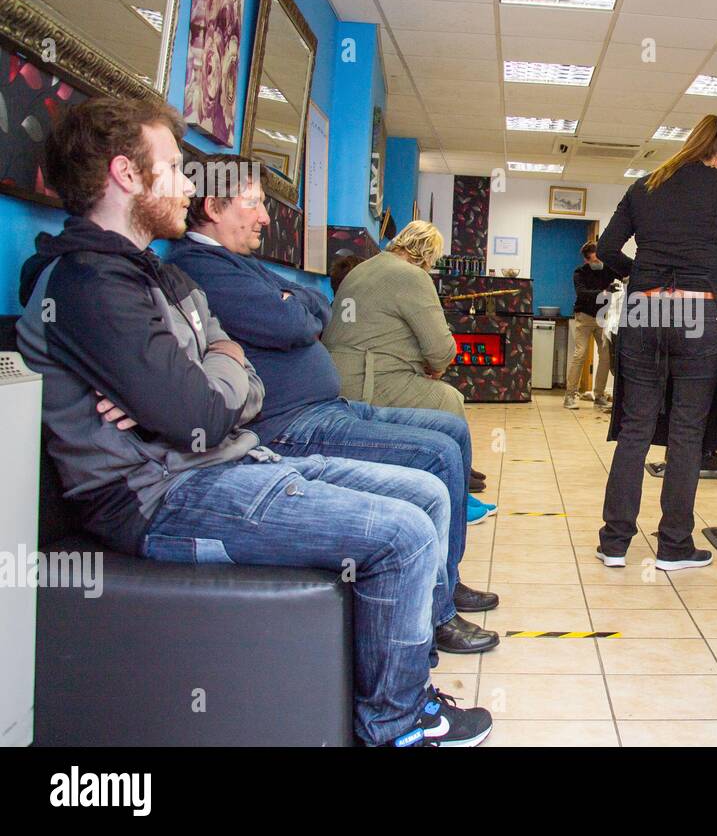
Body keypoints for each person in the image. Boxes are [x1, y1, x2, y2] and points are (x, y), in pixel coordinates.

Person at [16, 97, 490, 746]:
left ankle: (409, 682)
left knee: (430, 494)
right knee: (404, 534)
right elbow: (198, 410)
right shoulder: (85, 283)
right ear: (127, 175)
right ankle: (397, 725)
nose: (188, 184)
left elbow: (235, 378)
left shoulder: (156, 275)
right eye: (176, 168)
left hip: (223, 462)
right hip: (162, 499)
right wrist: (198, 383)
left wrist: (200, 375)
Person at [169, 184, 499, 656]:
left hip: (328, 403)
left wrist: (291, 302)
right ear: (214, 208)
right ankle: (439, 611)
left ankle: (446, 578)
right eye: (254, 204)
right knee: (442, 441)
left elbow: (316, 306)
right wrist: (290, 304)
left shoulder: (243, 264)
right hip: (291, 424)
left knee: (449, 431)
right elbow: (293, 321)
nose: (266, 217)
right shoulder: (203, 266)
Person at [595, 114, 717, 570]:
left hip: (646, 309)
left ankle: (614, 543)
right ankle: (674, 545)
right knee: (686, 431)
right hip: (697, 310)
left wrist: (640, 276)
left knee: (636, 428)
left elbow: (606, 248)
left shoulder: (646, 185)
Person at [322, 222, 469, 422]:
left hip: (333, 377)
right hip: (368, 381)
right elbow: (441, 352)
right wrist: (437, 368)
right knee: (448, 400)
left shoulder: (361, 269)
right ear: (427, 255)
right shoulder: (412, 275)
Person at [564, 242, 618, 410]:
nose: (598, 262)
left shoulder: (608, 269)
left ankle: (599, 395)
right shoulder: (580, 273)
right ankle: (570, 396)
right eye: (595, 260)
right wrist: (604, 292)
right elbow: (582, 293)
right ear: (587, 260)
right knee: (580, 354)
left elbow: (623, 275)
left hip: (602, 317)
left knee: (606, 356)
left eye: (599, 258)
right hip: (584, 316)